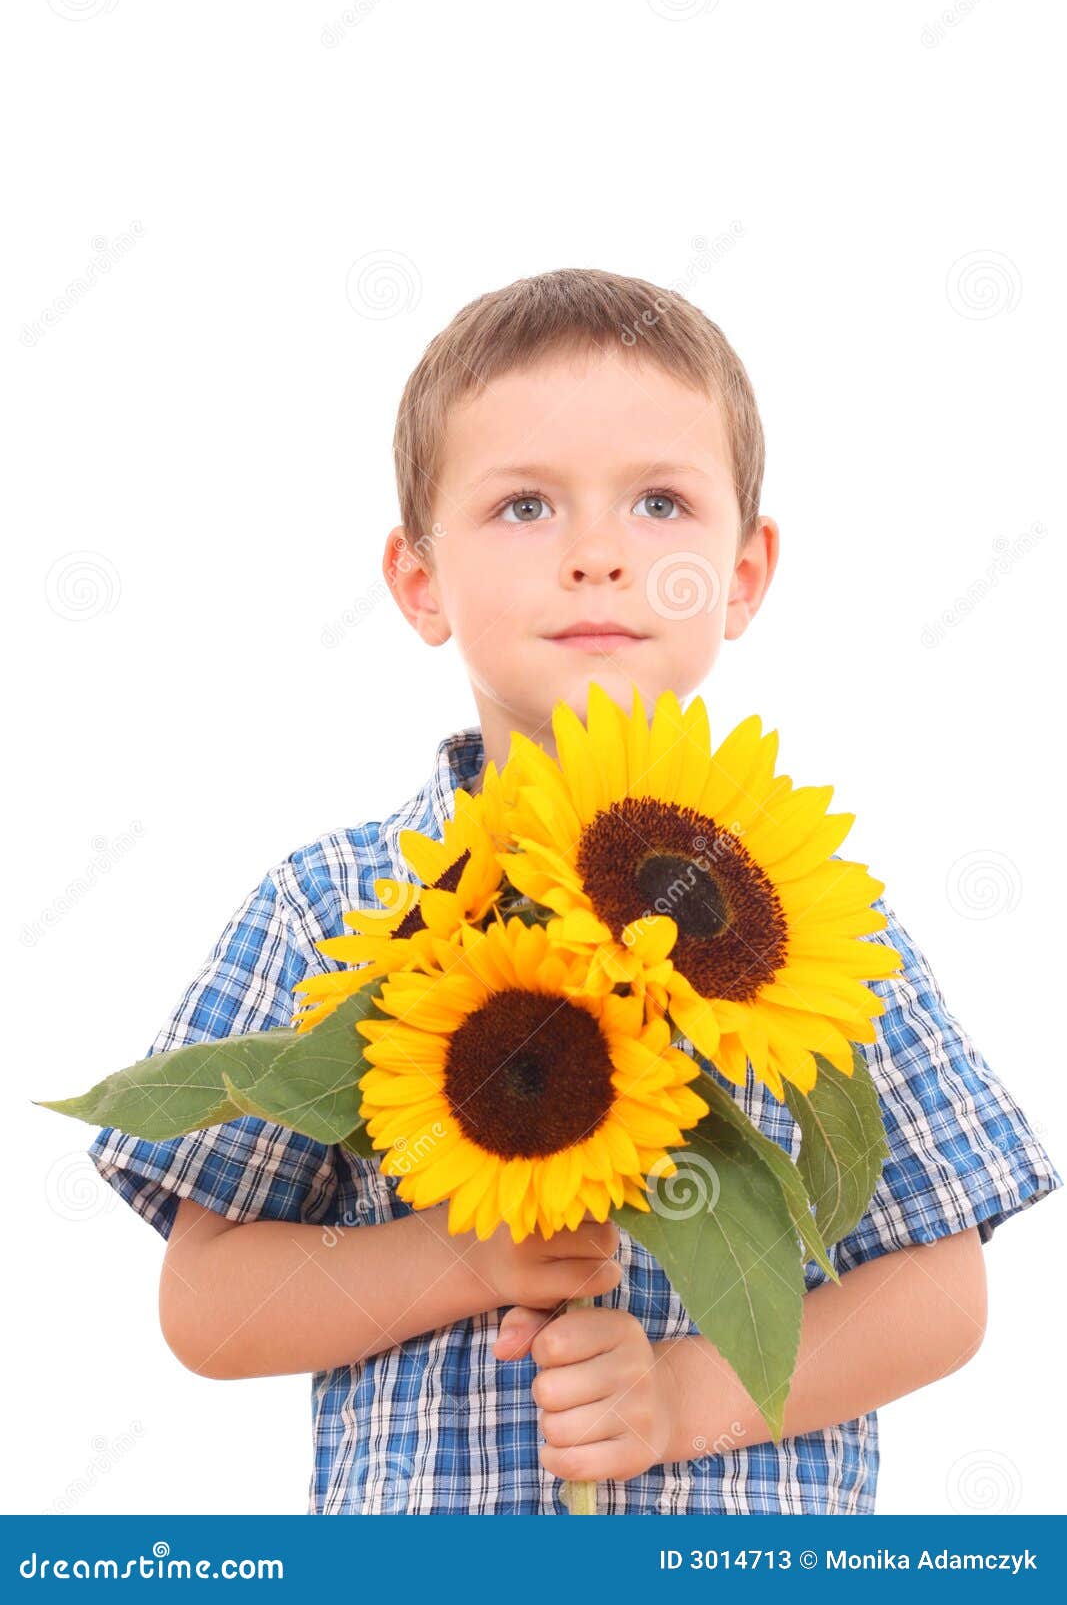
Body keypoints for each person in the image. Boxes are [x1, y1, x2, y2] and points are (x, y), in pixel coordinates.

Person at [88, 268, 1062, 1514]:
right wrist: (459, 1255)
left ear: (742, 573)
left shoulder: (818, 924)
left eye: (658, 503)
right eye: (524, 505)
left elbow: (938, 1287)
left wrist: (684, 1397)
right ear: (418, 580)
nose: (597, 556)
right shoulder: (328, 905)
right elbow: (207, 1302)